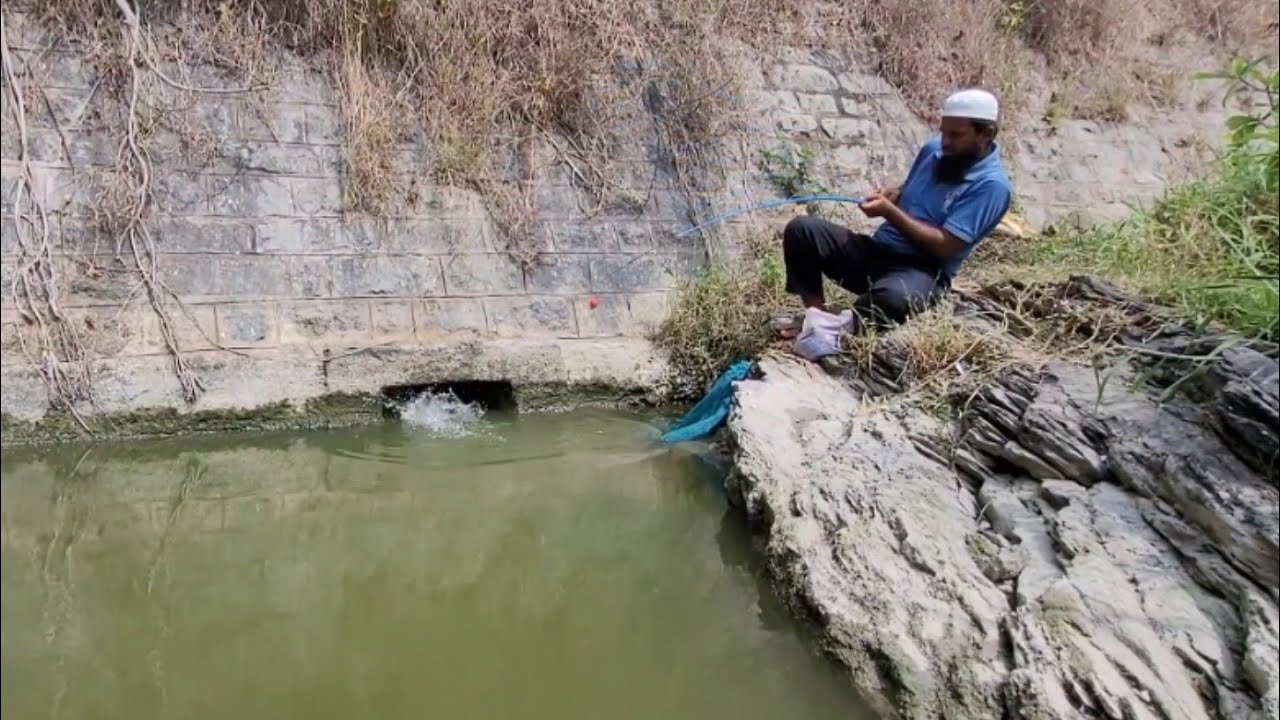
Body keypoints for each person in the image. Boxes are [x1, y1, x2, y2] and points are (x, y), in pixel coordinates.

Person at [778, 88, 1013, 337]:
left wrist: (889, 212)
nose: (945, 142)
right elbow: (911, 190)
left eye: (956, 135)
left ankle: (841, 330)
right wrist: (895, 195)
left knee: (894, 299)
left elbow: (945, 246)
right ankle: (817, 316)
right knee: (801, 230)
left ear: (986, 134)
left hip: (921, 272)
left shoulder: (992, 186)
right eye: (943, 132)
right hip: (877, 252)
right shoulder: (934, 150)